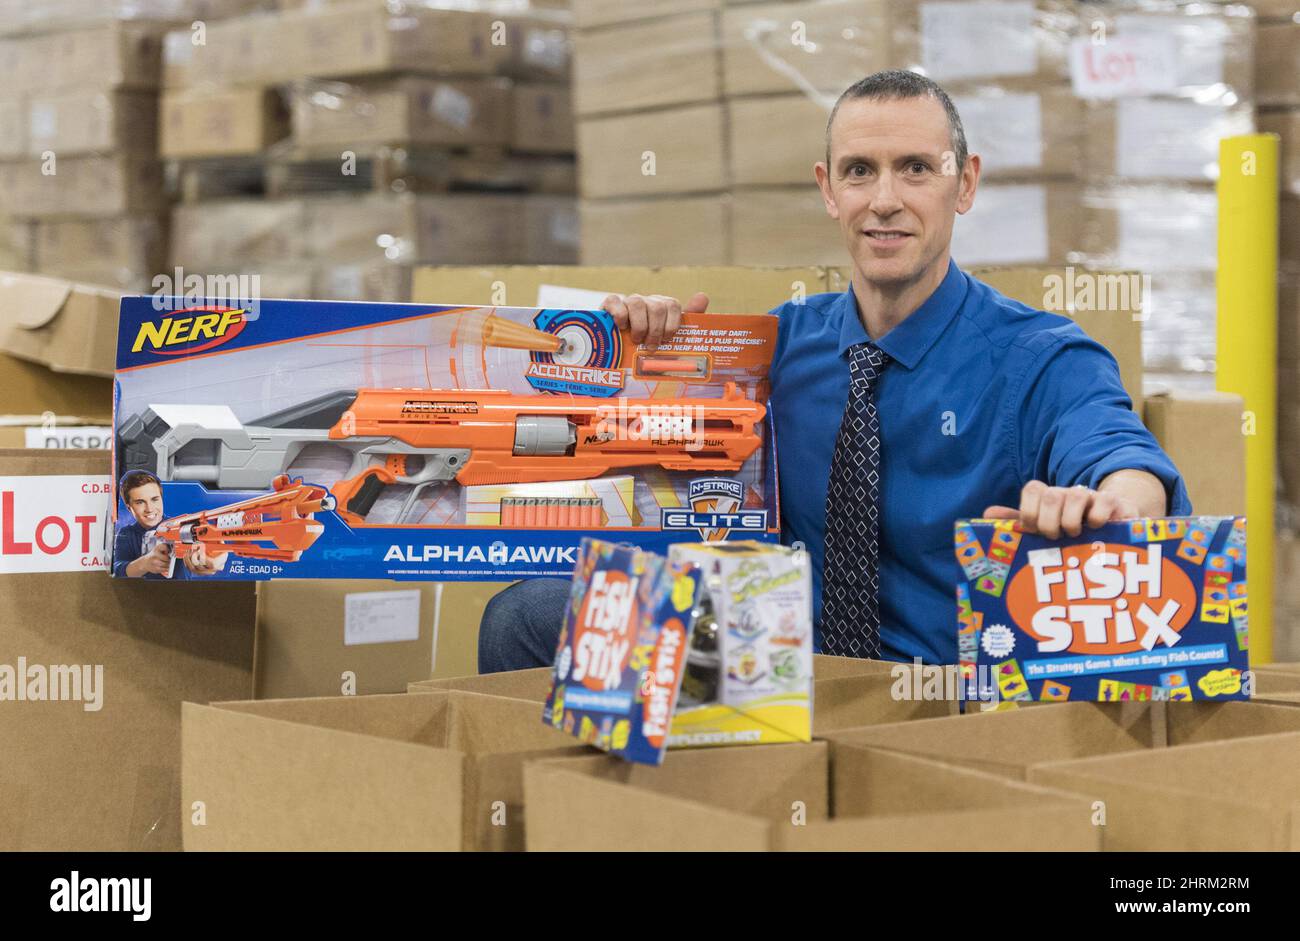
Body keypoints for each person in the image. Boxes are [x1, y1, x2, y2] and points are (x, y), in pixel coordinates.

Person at [478, 69, 1190, 672]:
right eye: (860, 172)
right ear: (829, 191)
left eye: (916, 168)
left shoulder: (1041, 356)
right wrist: (631, 350)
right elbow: (647, 457)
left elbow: (1122, 460)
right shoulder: (775, 347)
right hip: (778, 662)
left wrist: (1107, 509)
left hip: (946, 688)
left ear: (963, 184)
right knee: (523, 616)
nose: (885, 199)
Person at [113, 470, 226, 579]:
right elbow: (117, 570)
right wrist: (144, 564)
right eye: (140, 502)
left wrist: (216, 556)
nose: (149, 509)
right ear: (129, 508)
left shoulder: (182, 526)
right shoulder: (126, 533)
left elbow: (214, 543)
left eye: (154, 499)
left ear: (161, 499)